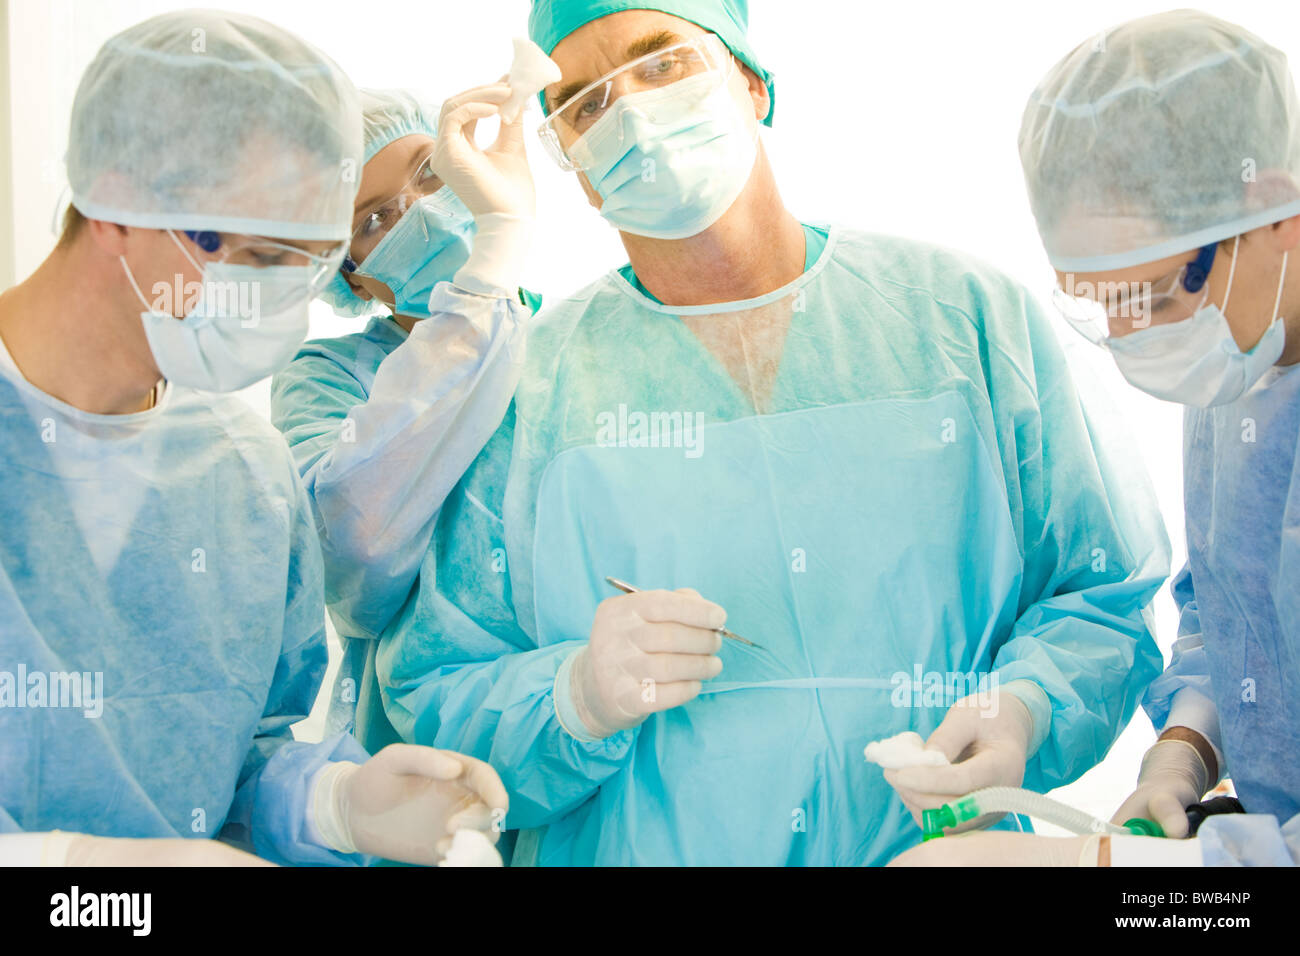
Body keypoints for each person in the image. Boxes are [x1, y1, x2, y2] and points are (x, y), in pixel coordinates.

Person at [359, 0, 1170, 866]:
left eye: (661, 61)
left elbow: (1099, 594)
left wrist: (1023, 710)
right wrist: (573, 699)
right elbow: (432, 696)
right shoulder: (528, 391)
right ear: (578, 170)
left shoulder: (964, 318)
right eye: (587, 104)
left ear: (752, 83)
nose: (629, 109)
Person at [0, 11, 505, 867]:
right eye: (263, 255)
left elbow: (238, 753)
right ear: (120, 195)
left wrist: (338, 805)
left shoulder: (244, 471)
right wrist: (73, 870)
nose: (281, 301)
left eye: (311, 263)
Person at [893, 9, 1300, 867]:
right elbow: (1238, 610)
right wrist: (1185, 750)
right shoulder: (1244, 362)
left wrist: (1162, 882)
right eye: (1100, 305)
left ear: (1270, 210)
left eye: (1150, 300)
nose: (1135, 342)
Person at [270, 87, 540, 757]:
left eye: (429, 170)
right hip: (416, 748)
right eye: (374, 220)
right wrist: (482, 289)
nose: (418, 210)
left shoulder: (576, 338)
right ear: (352, 278)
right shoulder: (325, 378)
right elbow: (352, 563)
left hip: (585, 722)